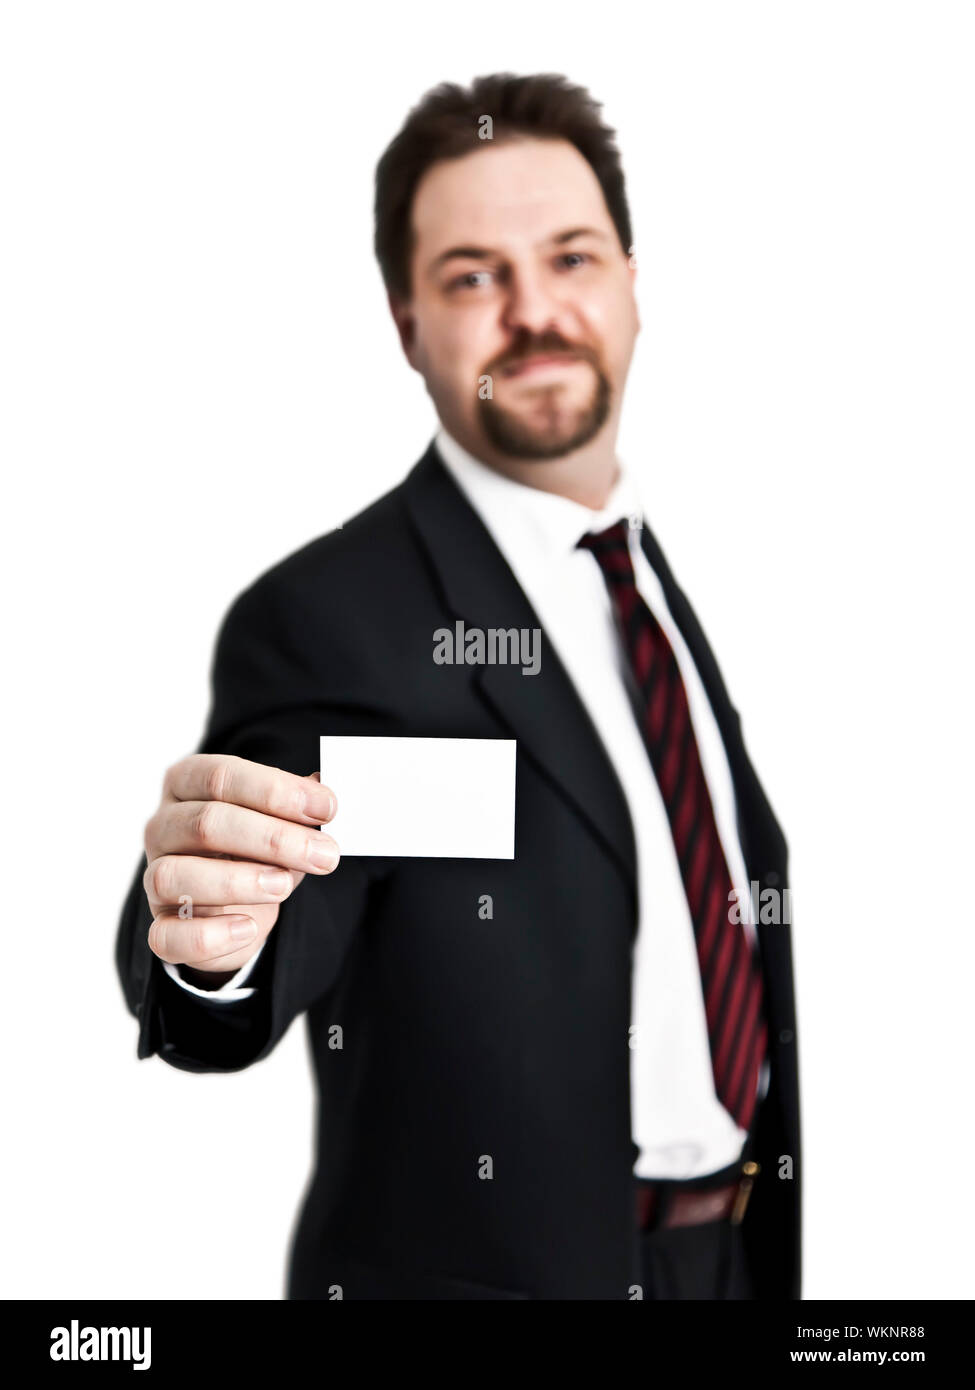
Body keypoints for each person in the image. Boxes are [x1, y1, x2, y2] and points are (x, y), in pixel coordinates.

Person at [116, 72, 800, 1301]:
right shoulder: (333, 617)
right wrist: (212, 944)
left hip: (731, 1262)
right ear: (408, 326)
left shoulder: (646, 582)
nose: (535, 310)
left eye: (571, 257)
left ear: (632, 284)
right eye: (474, 276)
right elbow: (267, 887)